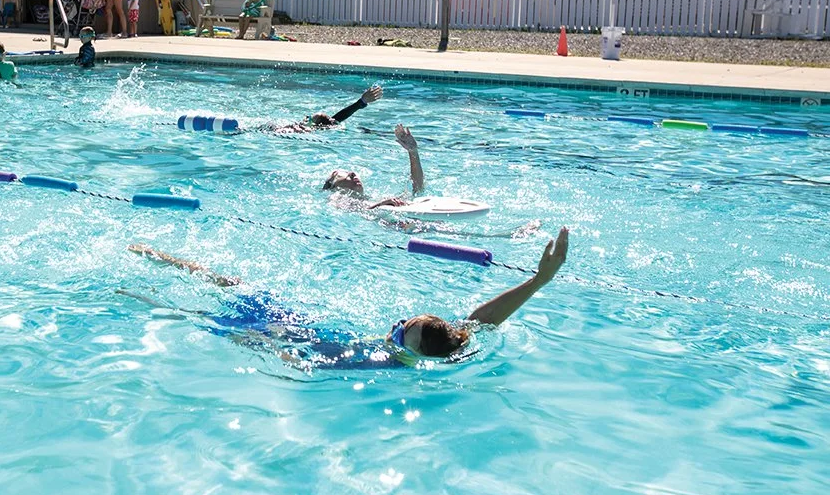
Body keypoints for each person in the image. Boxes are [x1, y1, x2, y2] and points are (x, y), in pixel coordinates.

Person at [127, 227, 570, 370]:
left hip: (281, 336)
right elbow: (480, 320)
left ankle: (141, 296)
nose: (395, 328)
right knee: (231, 283)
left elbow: (303, 366)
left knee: (196, 315)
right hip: (296, 320)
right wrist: (537, 281)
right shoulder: (443, 340)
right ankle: (164, 260)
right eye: (405, 321)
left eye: (403, 334)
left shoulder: (386, 367)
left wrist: (267, 348)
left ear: (413, 356)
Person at [322, 124, 423, 209]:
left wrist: (413, 151)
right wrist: (380, 205)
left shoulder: (373, 199)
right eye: (340, 174)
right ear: (333, 186)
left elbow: (417, 190)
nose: (353, 173)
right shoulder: (336, 199)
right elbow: (357, 212)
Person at [270, 84, 383, 133]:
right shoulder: (302, 128)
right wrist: (361, 102)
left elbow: (335, 120)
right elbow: (336, 119)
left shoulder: (305, 130)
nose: (305, 119)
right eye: (308, 118)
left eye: (309, 119)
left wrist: (361, 103)